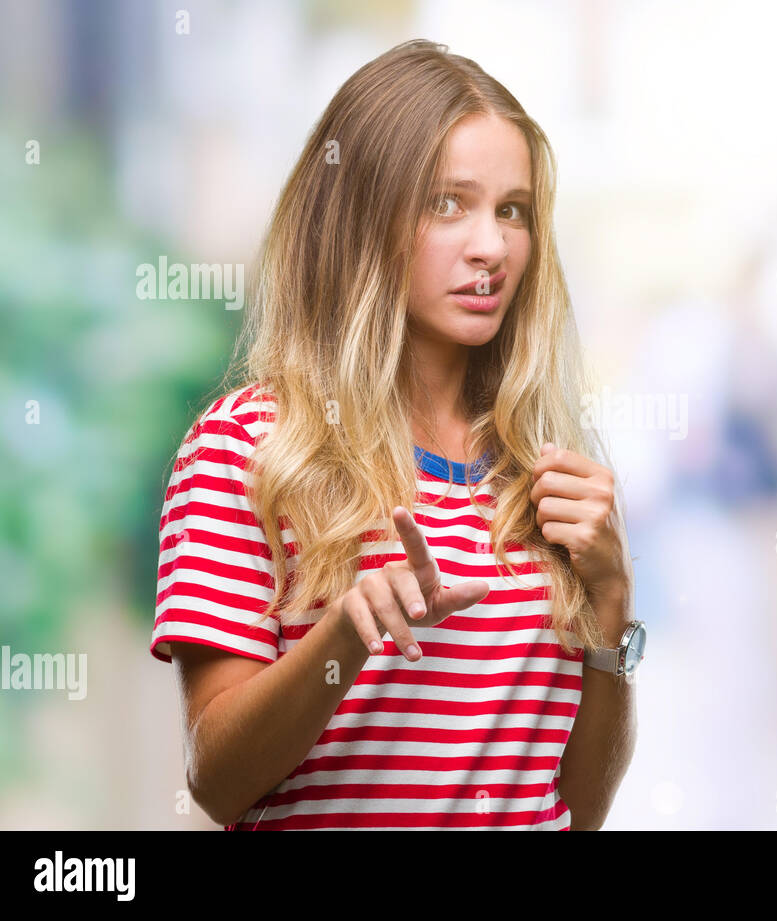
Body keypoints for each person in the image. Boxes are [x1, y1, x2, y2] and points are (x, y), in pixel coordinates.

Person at [150, 39, 637, 830]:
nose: (492, 246)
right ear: (363, 215)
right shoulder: (249, 448)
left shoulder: (544, 467)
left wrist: (613, 605)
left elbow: (578, 813)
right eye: (449, 203)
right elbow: (216, 777)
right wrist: (348, 630)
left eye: (512, 210)